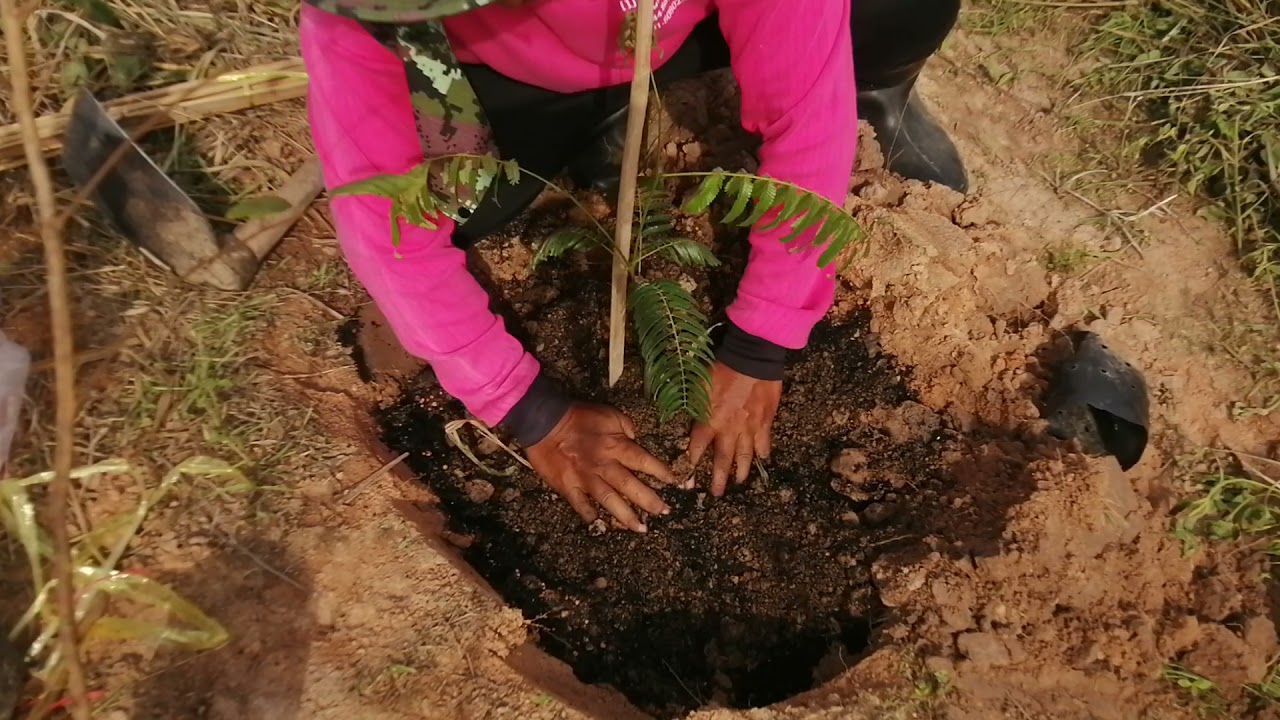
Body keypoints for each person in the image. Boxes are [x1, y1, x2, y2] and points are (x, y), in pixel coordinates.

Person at [299, 0, 965, 533]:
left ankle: (876, 93)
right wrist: (534, 413)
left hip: (680, 35)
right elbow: (390, 233)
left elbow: (807, 124)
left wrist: (765, 338)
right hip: (507, 77)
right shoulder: (366, 14)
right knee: (467, 209)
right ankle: (599, 116)